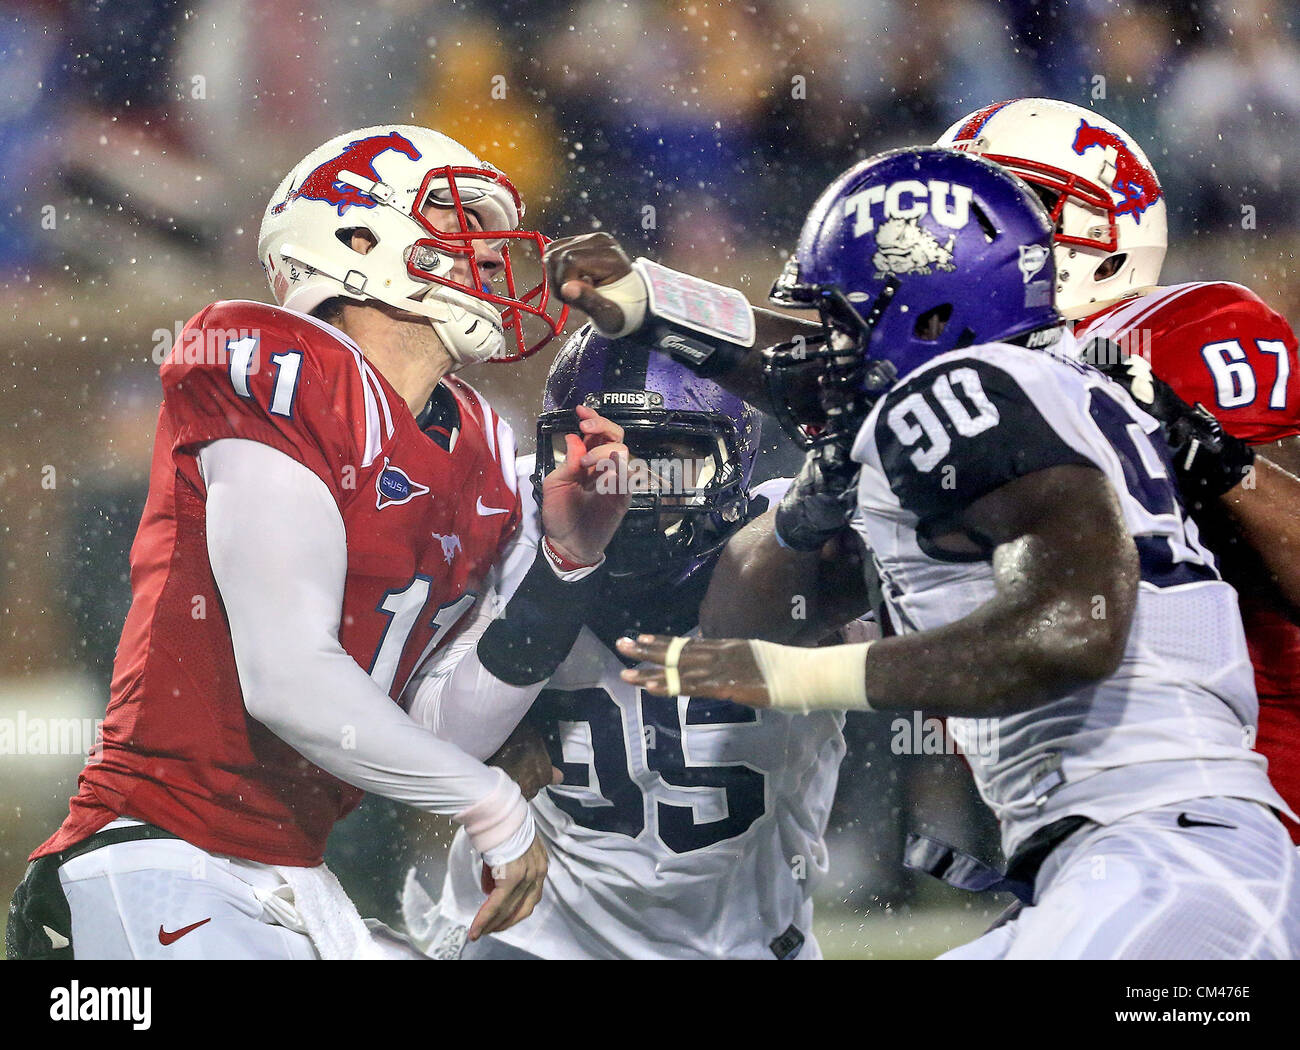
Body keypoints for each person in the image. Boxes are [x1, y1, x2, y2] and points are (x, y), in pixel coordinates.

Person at [615, 146, 1300, 958]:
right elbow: (807, 395)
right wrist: (649, 298)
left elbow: (1075, 626)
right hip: (1146, 863)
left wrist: (789, 676)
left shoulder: (983, 392)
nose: (822, 346)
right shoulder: (1051, 395)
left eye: (842, 318)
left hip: (1173, 857)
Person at [7, 125, 628, 960]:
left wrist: (563, 565)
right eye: (457, 223)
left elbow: (436, 731)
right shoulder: (277, 365)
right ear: (358, 240)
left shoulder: (479, 442)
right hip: (156, 860)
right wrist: (488, 804)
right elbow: (288, 677)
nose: (487, 258)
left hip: (294, 876)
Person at [400, 326, 862, 959]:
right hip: (536, 939)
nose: (629, 489)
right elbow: (426, 738)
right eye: (601, 451)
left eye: (667, 458)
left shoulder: (798, 539)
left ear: (735, 463)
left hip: (744, 942)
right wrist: (555, 581)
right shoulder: (508, 520)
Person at [934, 97, 1300, 842]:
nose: (958, 241)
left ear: (1099, 229)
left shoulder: (1186, 331)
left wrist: (1211, 456)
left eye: (992, 210)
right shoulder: (940, 379)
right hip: (1083, 816)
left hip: (1246, 804)